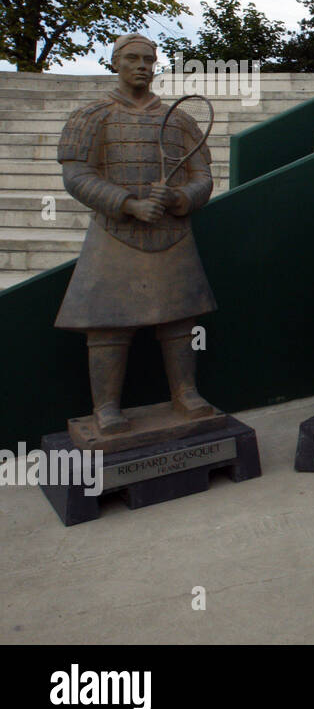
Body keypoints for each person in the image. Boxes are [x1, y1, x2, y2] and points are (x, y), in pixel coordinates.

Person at [55, 33, 217, 433]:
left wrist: (180, 199)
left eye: (149, 58)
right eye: (132, 58)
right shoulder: (92, 115)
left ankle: (185, 392)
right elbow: (76, 175)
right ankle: (106, 406)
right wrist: (128, 204)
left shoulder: (180, 120)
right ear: (115, 63)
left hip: (172, 233)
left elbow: (205, 178)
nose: (142, 65)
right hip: (114, 233)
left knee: (179, 319)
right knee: (108, 324)